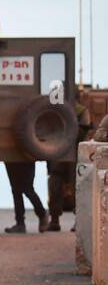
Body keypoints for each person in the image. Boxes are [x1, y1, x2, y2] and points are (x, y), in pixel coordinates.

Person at [47, 98, 92, 231]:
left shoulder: (81, 111)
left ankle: (78, 221)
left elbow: (83, 131)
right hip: (58, 156)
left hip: (74, 156)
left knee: (77, 190)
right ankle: (54, 220)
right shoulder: (53, 110)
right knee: (54, 188)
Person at [3, 159, 49, 234]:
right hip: (12, 158)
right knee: (16, 190)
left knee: (27, 189)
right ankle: (20, 223)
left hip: (26, 156)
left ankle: (42, 214)